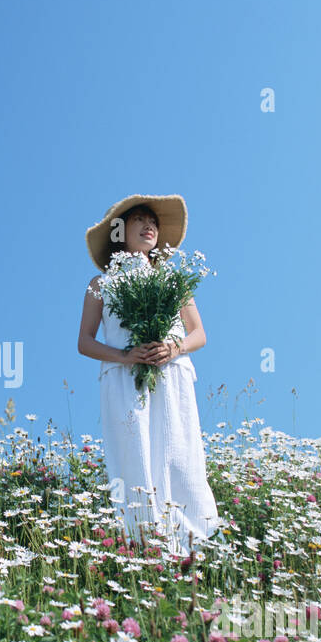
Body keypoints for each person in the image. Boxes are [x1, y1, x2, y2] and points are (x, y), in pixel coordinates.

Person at [77, 193, 224, 559]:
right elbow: (84, 341)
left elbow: (199, 333)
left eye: (153, 221)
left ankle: (196, 547)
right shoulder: (101, 284)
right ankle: (146, 547)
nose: (149, 226)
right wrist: (126, 356)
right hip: (124, 380)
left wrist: (173, 348)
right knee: (135, 454)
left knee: (181, 455)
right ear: (117, 232)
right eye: (138, 219)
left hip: (171, 376)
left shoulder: (173, 279)